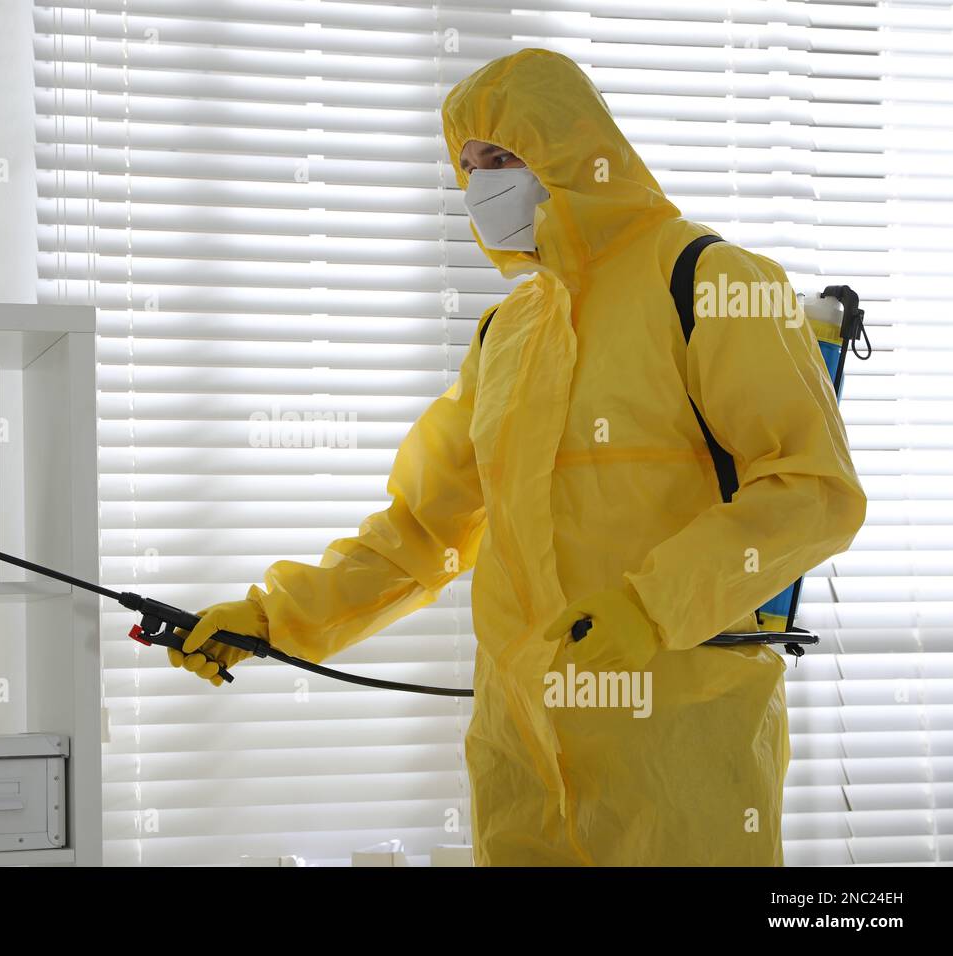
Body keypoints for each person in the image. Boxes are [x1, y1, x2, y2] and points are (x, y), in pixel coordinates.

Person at [169, 48, 867, 865]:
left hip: (678, 754)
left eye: (502, 157)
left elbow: (813, 490)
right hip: (519, 754)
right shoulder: (507, 334)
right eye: (467, 166)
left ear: (574, 151)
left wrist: (652, 606)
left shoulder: (706, 278)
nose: (481, 184)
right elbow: (422, 532)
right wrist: (273, 621)